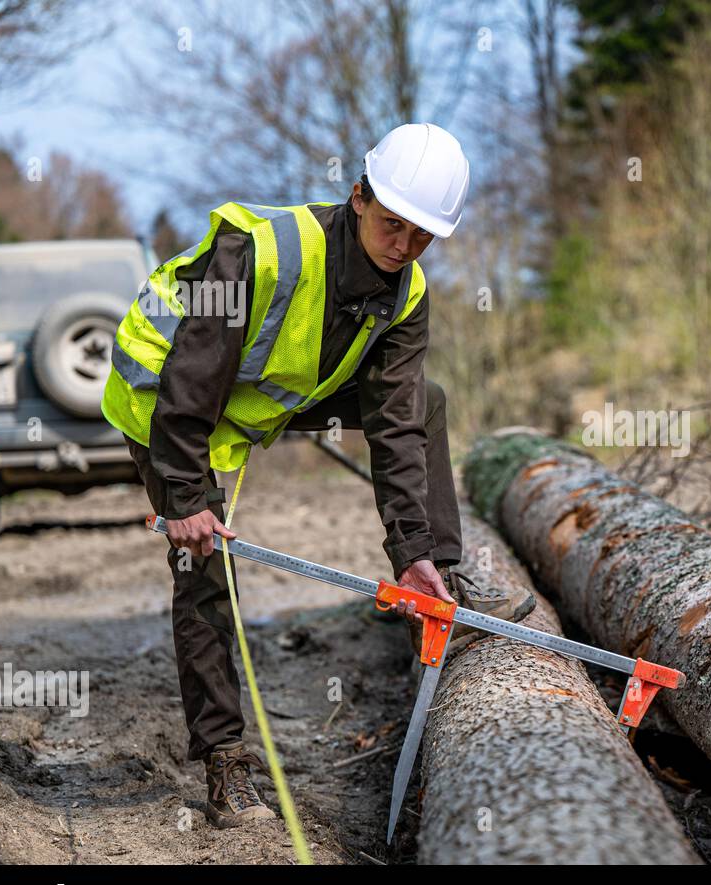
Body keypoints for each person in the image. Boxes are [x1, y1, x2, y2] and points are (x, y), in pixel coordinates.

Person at [101, 123, 534, 828]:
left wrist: (411, 551)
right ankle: (225, 761)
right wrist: (184, 495)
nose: (404, 247)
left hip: (247, 393)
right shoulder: (259, 249)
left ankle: (444, 573)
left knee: (425, 404)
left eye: (423, 236)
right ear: (359, 197)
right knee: (203, 566)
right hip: (165, 393)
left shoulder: (407, 293)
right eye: (393, 225)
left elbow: (394, 424)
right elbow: (193, 370)